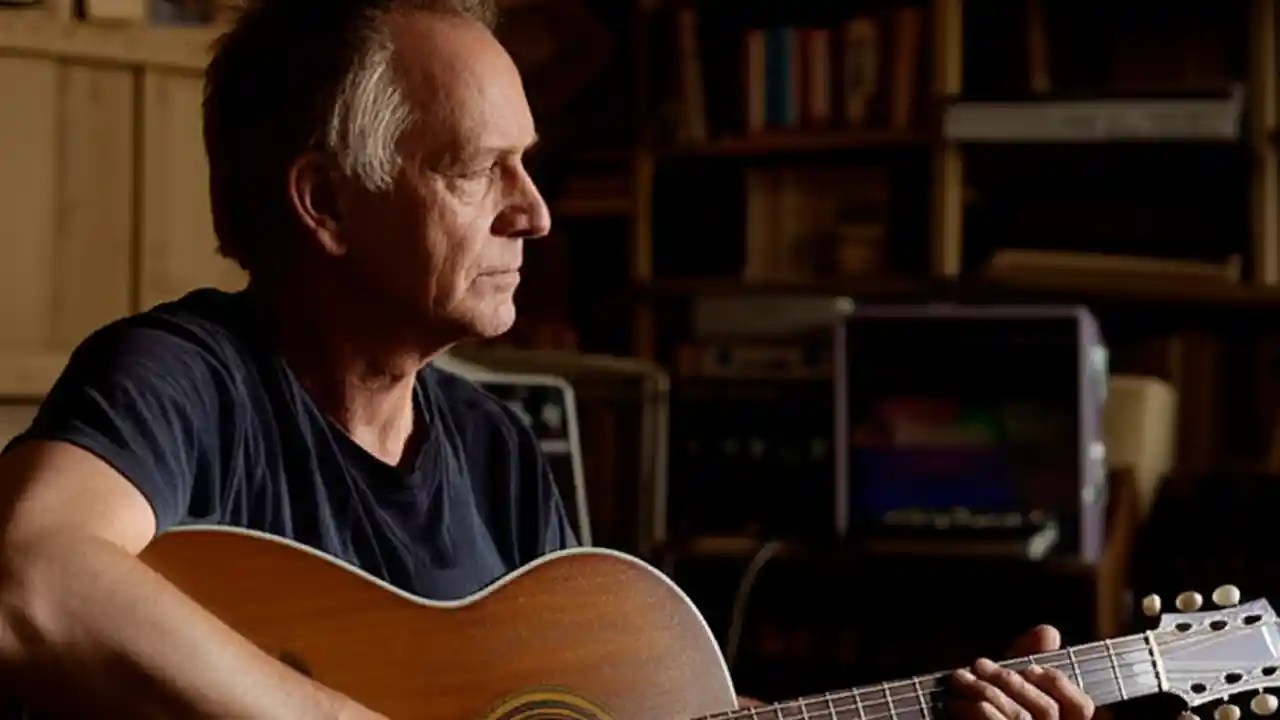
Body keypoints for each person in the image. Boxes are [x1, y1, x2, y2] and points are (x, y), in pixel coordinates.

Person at [0, 1, 1095, 718]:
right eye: (484, 171)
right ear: (327, 201)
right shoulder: (184, 379)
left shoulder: (495, 451)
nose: (534, 214)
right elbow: (31, 577)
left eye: (532, 166)